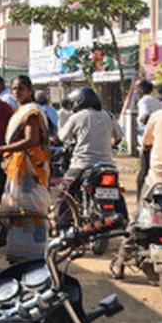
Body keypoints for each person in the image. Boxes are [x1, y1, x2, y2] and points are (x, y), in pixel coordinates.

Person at [0, 75, 51, 261]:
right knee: (18, 212)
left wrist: (1, 149)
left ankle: (34, 255)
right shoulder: (22, 110)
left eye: (21, 89)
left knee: (30, 211)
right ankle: (18, 253)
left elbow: (31, 140)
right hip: (20, 167)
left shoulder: (31, 112)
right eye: (14, 88)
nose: (17, 92)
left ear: (30, 90)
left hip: (30, 168)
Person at [56, 87, 122, 226]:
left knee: (64, 192)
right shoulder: (108, 115)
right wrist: (110, 145)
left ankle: (62, 225)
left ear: (78, 102)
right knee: (117, 193)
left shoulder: (77, 117)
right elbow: (118, 137)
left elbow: (62, 137)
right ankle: (123, 219)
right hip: (107, 165)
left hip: (82, 164)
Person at [135, 79, 162, 196]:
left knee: (143, 173)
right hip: (159, 141)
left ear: (142, 89)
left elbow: (145, 116)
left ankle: (140, 199)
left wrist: (146, 121)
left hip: (148, 143)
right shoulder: (156, 101)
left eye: (137, 88)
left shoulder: (144, 101)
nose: (136, 91)